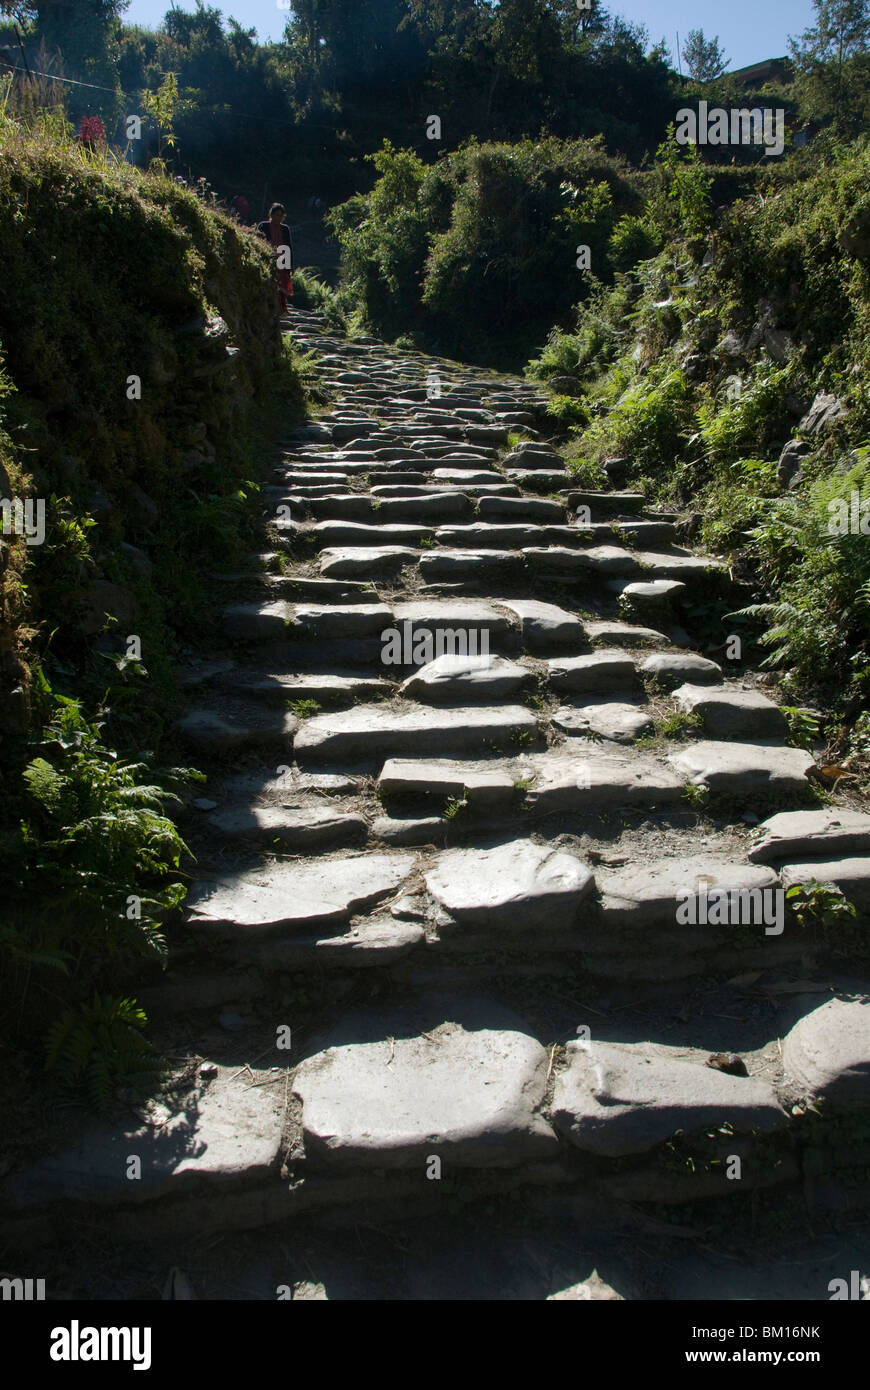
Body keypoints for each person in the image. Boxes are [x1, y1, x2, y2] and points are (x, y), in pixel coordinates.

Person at [257, 202, 294, 315]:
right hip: (268, 259)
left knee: (281, 284)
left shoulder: (285, 229)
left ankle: (281, 309)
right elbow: (257, 241)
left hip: (281, 260)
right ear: (271, 215)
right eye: (277, 215)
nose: (278, 218)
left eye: (281, 216)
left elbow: (288, 247)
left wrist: (290, 265)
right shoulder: (263, 226)